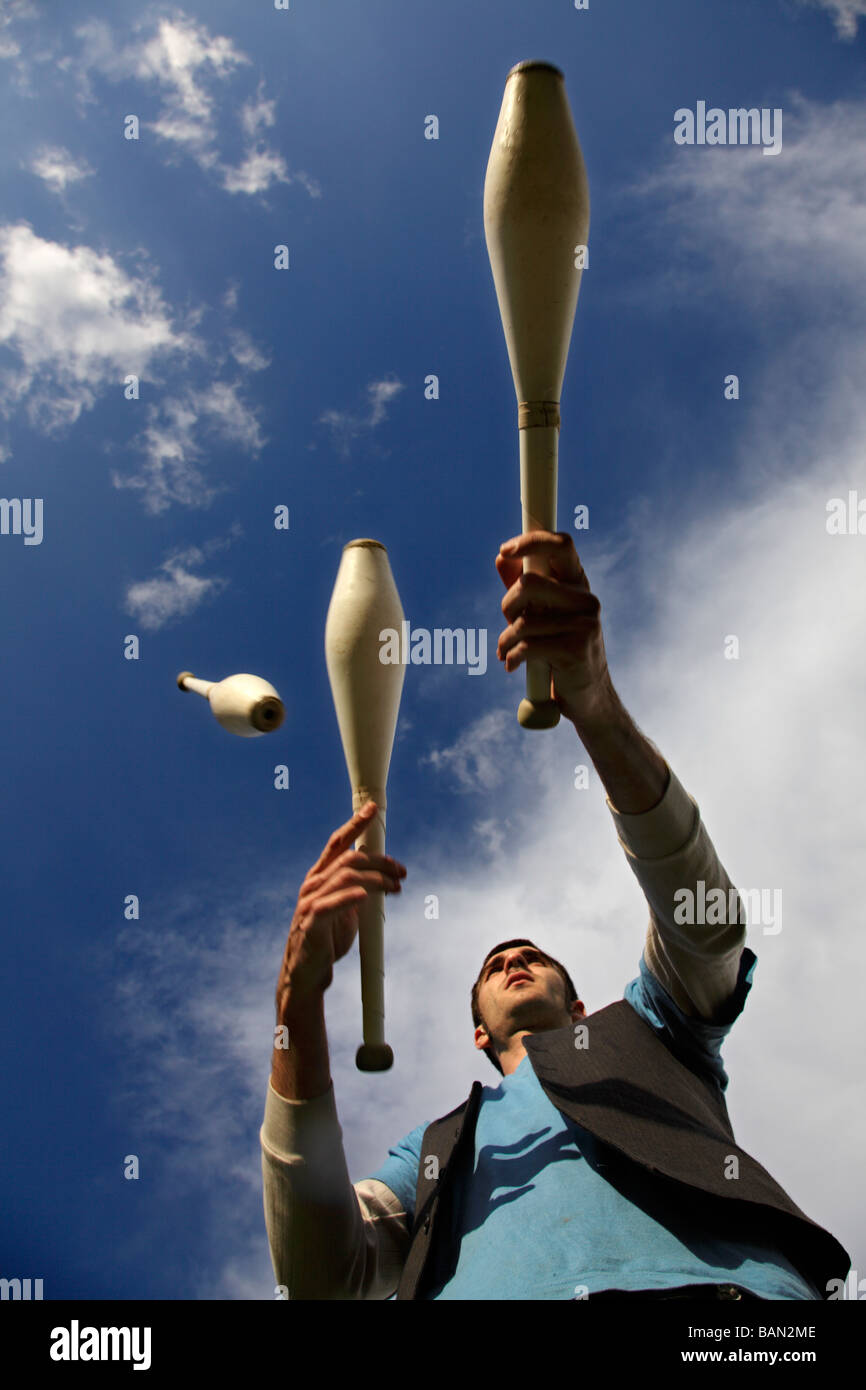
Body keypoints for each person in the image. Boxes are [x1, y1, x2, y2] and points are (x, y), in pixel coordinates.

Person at [260, 532, 850, 1300]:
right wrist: (297, 1005)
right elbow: (319, 1278)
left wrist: (597, 706)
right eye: (495, 966)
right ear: (478, 1033)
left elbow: (705, 927)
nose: (511, 961)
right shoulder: (430, 1151)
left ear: (578, 1005)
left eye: (530, 957)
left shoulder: (658, 1034)